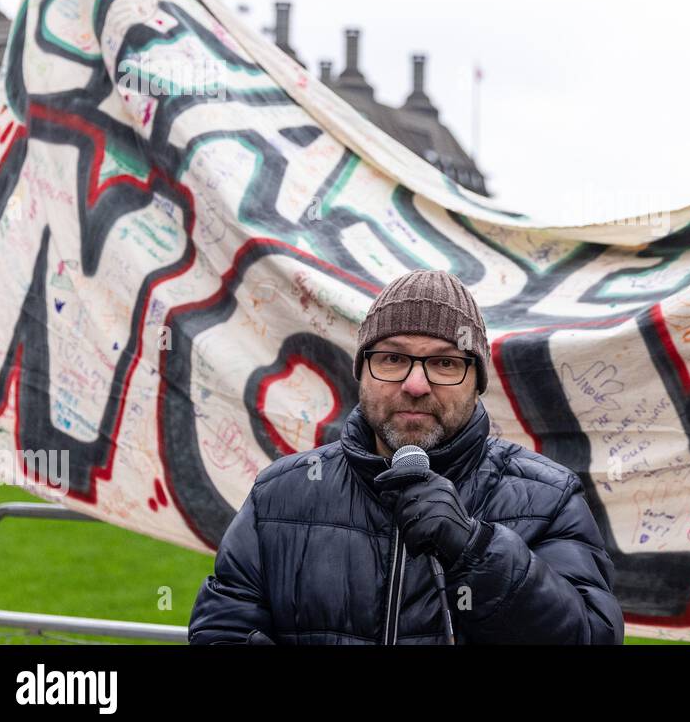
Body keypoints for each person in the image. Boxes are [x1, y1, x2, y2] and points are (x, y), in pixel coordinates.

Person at [188, 268, 624, 644]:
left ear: (477, 381)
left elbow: (593, 636)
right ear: (362, 370)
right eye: (393, 358)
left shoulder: (549, 498)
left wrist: (477, 551)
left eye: (445, 363)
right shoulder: (279, 494)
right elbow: (222, 627)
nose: (416, 384)